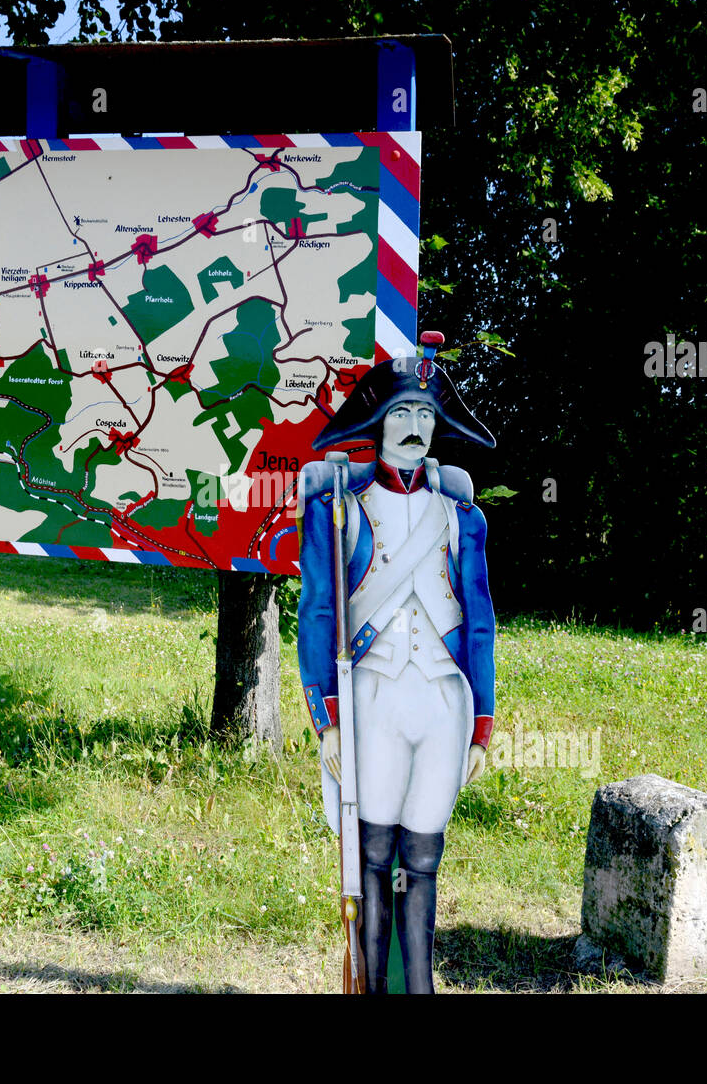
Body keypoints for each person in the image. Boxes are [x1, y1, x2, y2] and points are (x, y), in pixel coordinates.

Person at [296, 353, 496, 993]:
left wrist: (481, 727)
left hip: (442, 704)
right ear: (379, 424)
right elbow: (319, 613)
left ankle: (420, 989)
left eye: (425, 414)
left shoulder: (462, 518)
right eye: (401, 412)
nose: (414, 425)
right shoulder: (338, 510)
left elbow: (481, 623)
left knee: (424, 859)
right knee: (374, 856)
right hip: (372, 701)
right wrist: (325, 717)